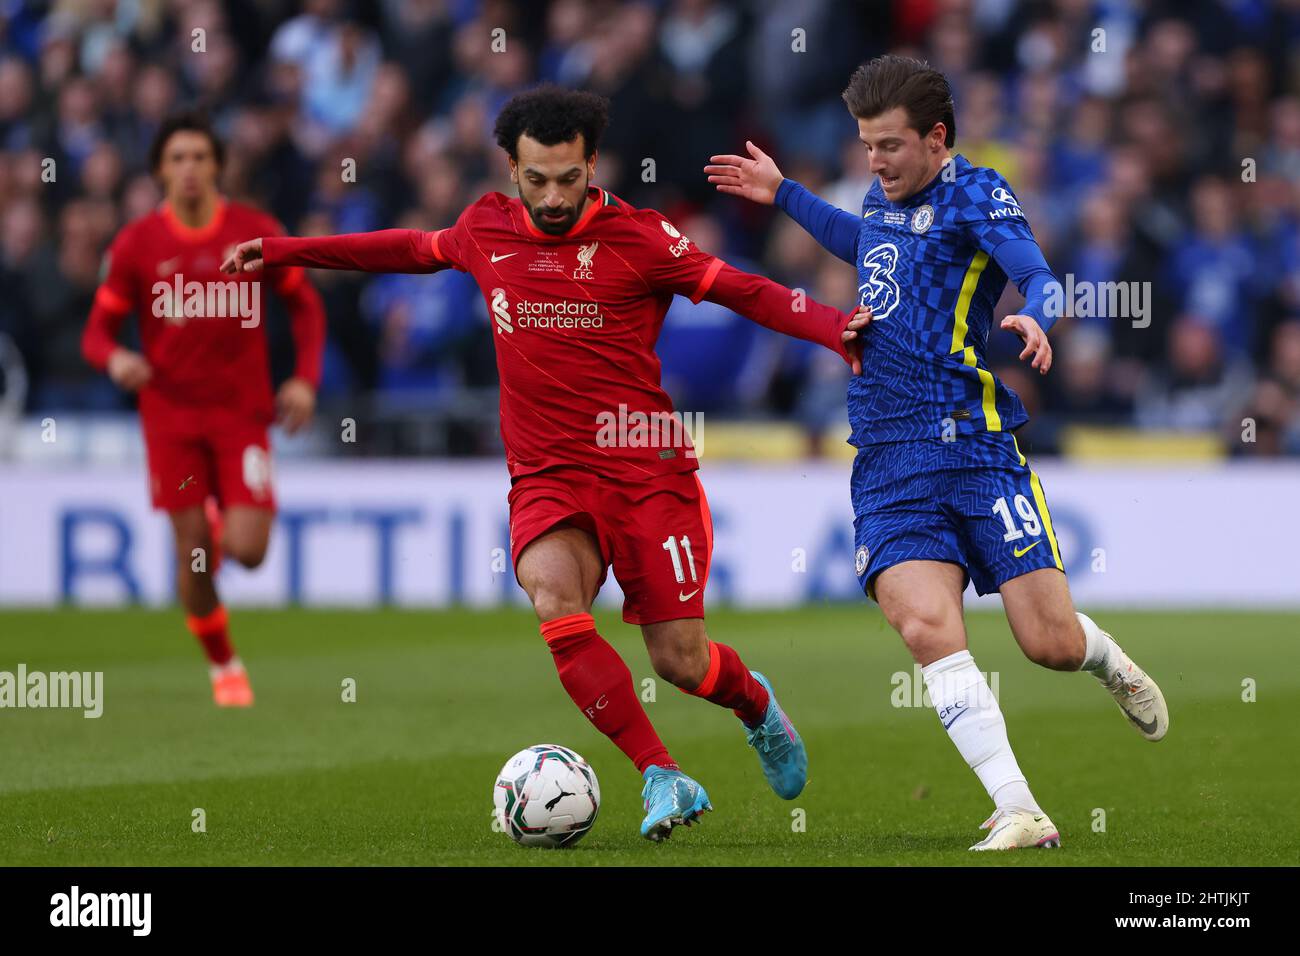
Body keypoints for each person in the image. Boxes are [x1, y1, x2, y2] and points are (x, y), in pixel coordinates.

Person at [222, 85, 867, 842]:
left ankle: (755, 703)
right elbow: (404, 249)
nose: (554, 196)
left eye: (568, 178)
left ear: (593, 163)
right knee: (555, 602)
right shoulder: (484, 228)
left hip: (644, 468)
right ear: (511, 170)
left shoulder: (643, 238)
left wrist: (834, 328)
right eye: (537, 179)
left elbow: (742, 290)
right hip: (547, 473)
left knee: (681, 663)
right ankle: (662, 774)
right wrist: (289, 252)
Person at [707, 55, 1169, 850]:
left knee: (1047, 643)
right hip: (887, 451)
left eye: (889, 146)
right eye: (865, 145)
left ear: (937, 138)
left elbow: (1037, 274)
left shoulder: (978, 193)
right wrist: (783, 194)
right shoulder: (878, 197)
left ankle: (1105, 659)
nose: (875, 162)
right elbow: (867, 242)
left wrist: (1037, 319)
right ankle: (1020, 806)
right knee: (925, 628)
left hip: (976, 448)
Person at [83, 111, 326, 707]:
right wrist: (117, 361)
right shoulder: (137, 243)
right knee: (193, 556)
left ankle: (222, 525)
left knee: (248, 551)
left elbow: (307, 308)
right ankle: (224, 668)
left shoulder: (253, 231)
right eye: (177, 158)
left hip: (242, 415)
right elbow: (95, 334)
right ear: (160, 171)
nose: (189, 168)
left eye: (199, 156)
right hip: (170, 419)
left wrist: (304, 379)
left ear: (218, 165)